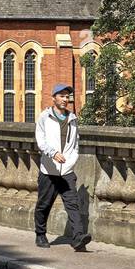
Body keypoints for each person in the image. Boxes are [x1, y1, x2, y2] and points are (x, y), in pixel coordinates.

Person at [33, 84, 91, 251]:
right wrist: (53, 153)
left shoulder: (72, 118)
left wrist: (71, 162)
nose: (66, 99)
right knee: (44, 204)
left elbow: (75, 145)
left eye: (67, 97)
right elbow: (41, 141)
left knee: (72, 204)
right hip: (48, 170)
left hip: (66, 170)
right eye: (62, 96)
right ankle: (40, 234)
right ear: (54, 98)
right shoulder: (44, 117)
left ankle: (78, 238)